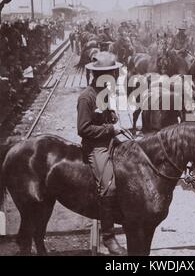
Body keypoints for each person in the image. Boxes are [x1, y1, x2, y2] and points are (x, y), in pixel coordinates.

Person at [77, 52, 126, 255]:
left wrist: (111, 116)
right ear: (102, 74)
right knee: (109, 186)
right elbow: (83, 128)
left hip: (108, 140)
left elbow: (103, 117)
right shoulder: (86, 97)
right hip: (95, 146)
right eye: (112, 72)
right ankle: (108, 237)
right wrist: (110, 130)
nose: (115, 76)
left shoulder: (103, 92)